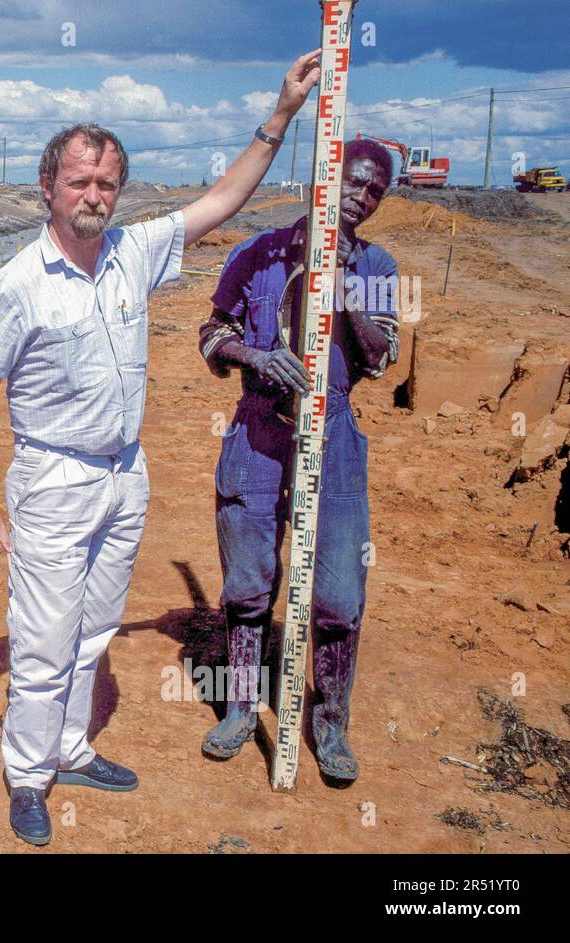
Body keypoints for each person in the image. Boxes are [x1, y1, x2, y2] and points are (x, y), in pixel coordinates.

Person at [0, 51, 321, 846]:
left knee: (92, 629)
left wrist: (281, 115)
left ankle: (72, 746)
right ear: (48, 188)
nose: (94, 195)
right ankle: (28, 776)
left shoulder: (133, 249)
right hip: (53, 478)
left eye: (107, 183)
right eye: (80, 181)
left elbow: (223, 199)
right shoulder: (15, 284)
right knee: (45, 638)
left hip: (125, 473)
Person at [197, 137, 398, 784]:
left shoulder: (378, 266)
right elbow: (211, 334)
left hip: (333, 431)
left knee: (339, 593)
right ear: (325, 176)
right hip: (258, 428)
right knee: (248, 583)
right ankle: (237, 708)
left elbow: (380, 357)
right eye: (355, 182)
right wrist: (253, 358)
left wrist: (343, 294)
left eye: (375, 191)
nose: (362, 198)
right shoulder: (255, 254)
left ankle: (330, 722)